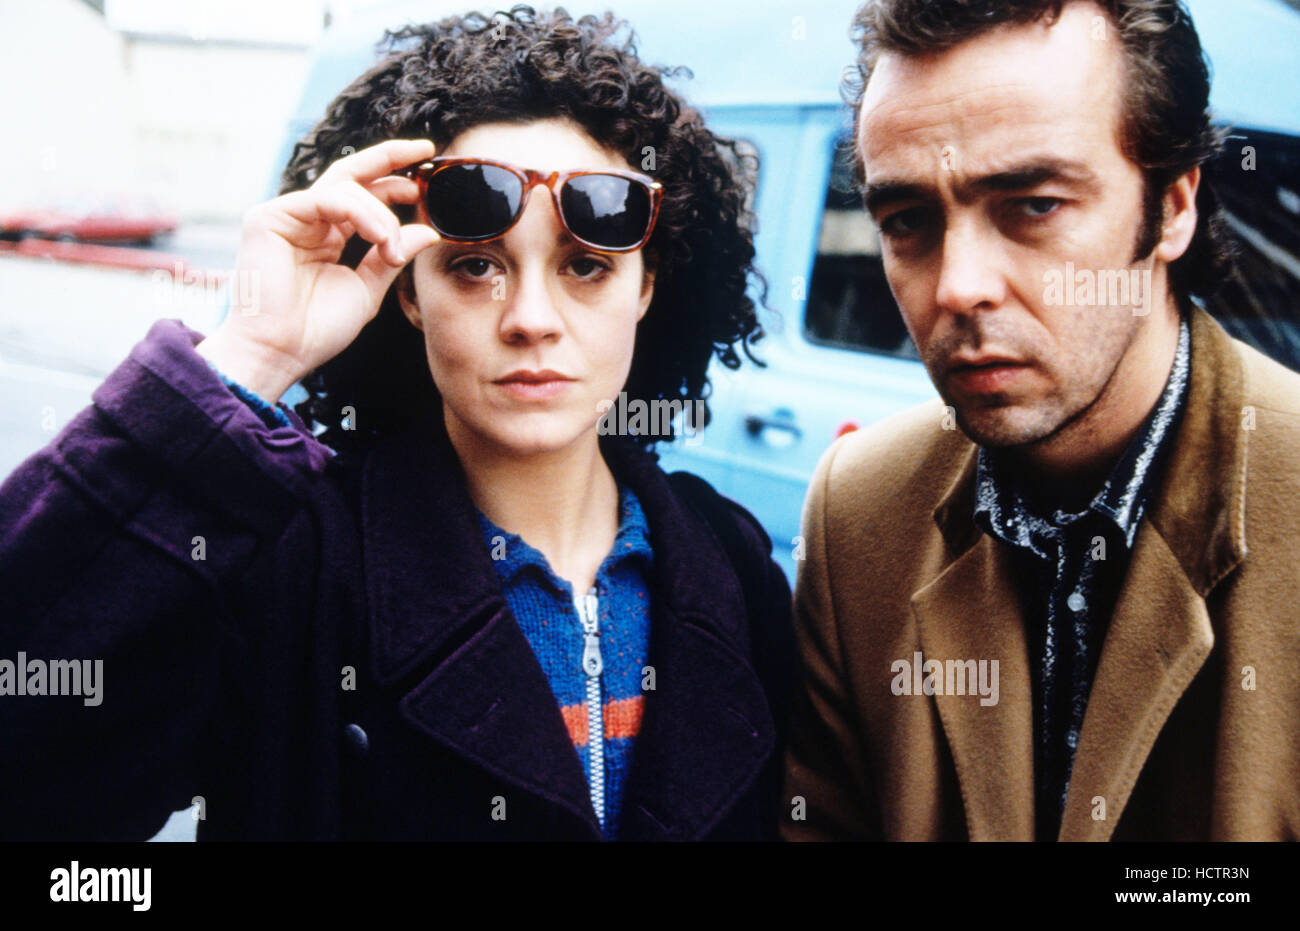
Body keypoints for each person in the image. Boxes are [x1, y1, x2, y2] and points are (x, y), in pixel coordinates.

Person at [0, 7, 793, 841]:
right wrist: (250, 357)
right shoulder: (289, 565)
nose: (530, 317)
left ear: (647, 287)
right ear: (409, 292)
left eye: (585, 266)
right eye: (475, 265)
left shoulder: (730, 565)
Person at [782, 0, 1300, 841]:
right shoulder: (858, 514)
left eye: (1033, 204)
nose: (958, 286)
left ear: (1171, 208)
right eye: (907, 220)